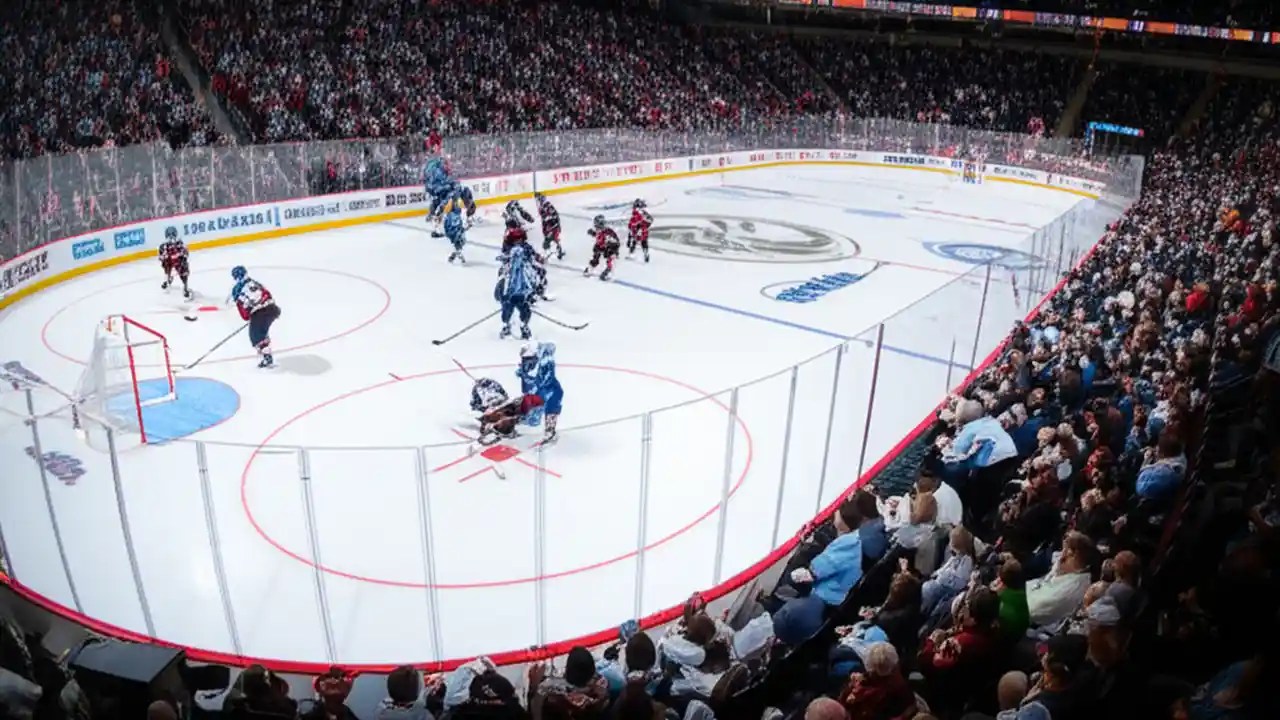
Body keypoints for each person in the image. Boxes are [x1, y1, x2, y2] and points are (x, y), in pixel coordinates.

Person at [230, 265, 281, 369]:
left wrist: (251, 316)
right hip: (273, 309)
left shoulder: (237, 290)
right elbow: (267, 294)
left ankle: (267, 358)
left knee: (255, 335)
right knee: (261, 331)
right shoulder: (255, 283)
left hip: (260, 312)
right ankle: (266, 354)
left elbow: (244, 314)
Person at [517, 342, 563, 443]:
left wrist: (531, 378)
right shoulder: (527, 364)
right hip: (536, 394)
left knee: (551, 409)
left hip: (550, 392)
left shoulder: (546, 363)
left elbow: (545, 380)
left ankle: (550, 431)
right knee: (532, 421)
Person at [497, 241, 537, 340]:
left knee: (525, 311)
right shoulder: (507, 268)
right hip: (509, 296)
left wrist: (531, 294)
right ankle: (507, 326)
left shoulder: (525, 268)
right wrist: (500, 294)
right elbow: (502, 281)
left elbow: (531, 281)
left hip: (521, 296)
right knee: (507, 311)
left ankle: (523, 327)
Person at [158, 226, 192, 299]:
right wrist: (164, 257)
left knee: (183, 271)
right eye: (169, 234)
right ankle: (167, 280)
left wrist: (183, 257)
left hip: (180, 263)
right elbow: (161, 257)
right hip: (169, 263)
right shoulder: (163, 246)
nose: (171, 237)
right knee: (167, 266)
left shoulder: (179, 243)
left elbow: (186, 253)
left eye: (172, 234)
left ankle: (185, 288)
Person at [584, 215, 621, 281]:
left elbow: (616, 241)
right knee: (596, 257)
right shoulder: (599, 231)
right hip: (601, 246)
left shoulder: (608, 232)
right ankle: (590, 268)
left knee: (610, 258)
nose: (596, 227)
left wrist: (611, 243)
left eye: (597, 225)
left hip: (610, 248)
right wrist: (592, 233)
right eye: (595, 225)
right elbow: (597, 235)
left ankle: (609, 271)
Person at [535, 192, 564, 259]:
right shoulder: (542, 207)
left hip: (553, 227)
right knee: (552, 240)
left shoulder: (548, 206)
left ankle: (549, 254)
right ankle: (558, 253)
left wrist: (551, 223)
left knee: (548, 242)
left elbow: (555, 216)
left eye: (539, 199)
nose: (538, 201)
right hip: (549, 228)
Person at [627, 198, 652, 262]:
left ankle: (631, 254)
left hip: (638, 231)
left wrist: (629, 237)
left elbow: (631, 223)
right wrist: (646, 226)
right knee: (643, 243)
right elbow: (650, 220)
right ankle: (645, 254)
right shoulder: (644, 213)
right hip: (643, 231)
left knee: (634, 242)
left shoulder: (637, 213)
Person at [444, 197, 468, 265]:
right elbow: (463, 212)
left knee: (460, 241)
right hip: (454, 226)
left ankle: (453, 255)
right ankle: (458, 255)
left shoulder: (454, 201)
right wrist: (464, 223)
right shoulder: (457, 201)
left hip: (453, 226)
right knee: (459, 241)